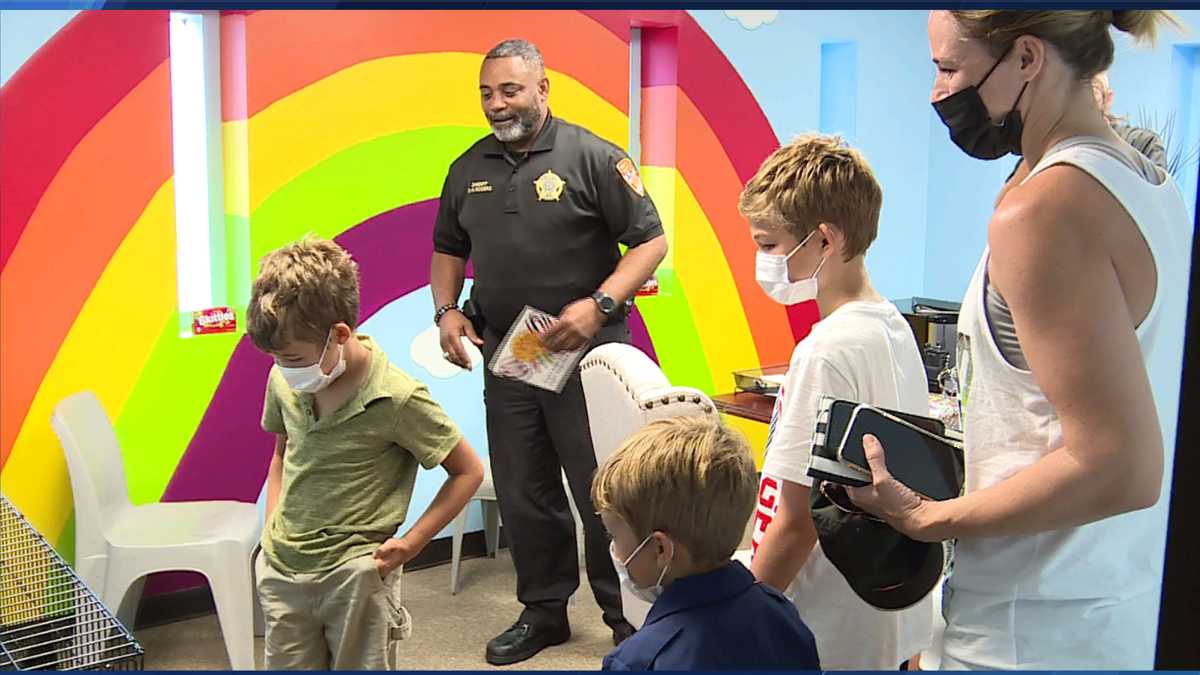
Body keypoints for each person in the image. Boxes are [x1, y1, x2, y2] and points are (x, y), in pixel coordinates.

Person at [851, 10, 1190, 669]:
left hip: (1029, 629)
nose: (937, 92)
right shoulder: (1154, 188)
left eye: (950, 68)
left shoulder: (1045, 209)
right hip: (1108, 614)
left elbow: (1121, 463)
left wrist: (928, 517)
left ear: (1028, 58)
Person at [429, 38, 668, 665]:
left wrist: (602, 304)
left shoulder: (593, 157)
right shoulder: (466, 168)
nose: (496, 103)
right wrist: (447, 311)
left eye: (509, 90)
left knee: (606, 489)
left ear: (542, 88)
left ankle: (630, 619)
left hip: (587, 351)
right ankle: (544, 613)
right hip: (514, 349)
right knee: (524, 489)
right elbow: (448, 251)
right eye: (486, 92)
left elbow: (649, 242)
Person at [739, 133, 932, 669]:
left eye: (770, 245)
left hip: (825, 617)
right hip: (882, 609)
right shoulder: (891, 327)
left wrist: (738, 620)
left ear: (824, 239)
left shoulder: (823, 352)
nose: (764, 262)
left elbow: (795, 522)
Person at [248, 236, 484, 669]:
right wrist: (272, 530)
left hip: (355, 577)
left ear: (339, 334)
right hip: (284, 571)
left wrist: (410, 546)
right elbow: (281, 455)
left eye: (294, 357)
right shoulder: (284, 379)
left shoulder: (397, 398)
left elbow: (467, 472)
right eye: (277, 358)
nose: (285, 368)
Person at [593, 417, 821, 671]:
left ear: (660, 549)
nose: (614, 550)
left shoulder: (637, 661)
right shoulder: (784, 616)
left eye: (613, 535)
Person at [998, 70, 1168, 206]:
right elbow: (1005, 207)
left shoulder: (1142, 143)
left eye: (1092, 90)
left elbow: (1156, 205)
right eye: (1075, 92)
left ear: (1108, 99)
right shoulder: (1043, 147)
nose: (1082, 100)